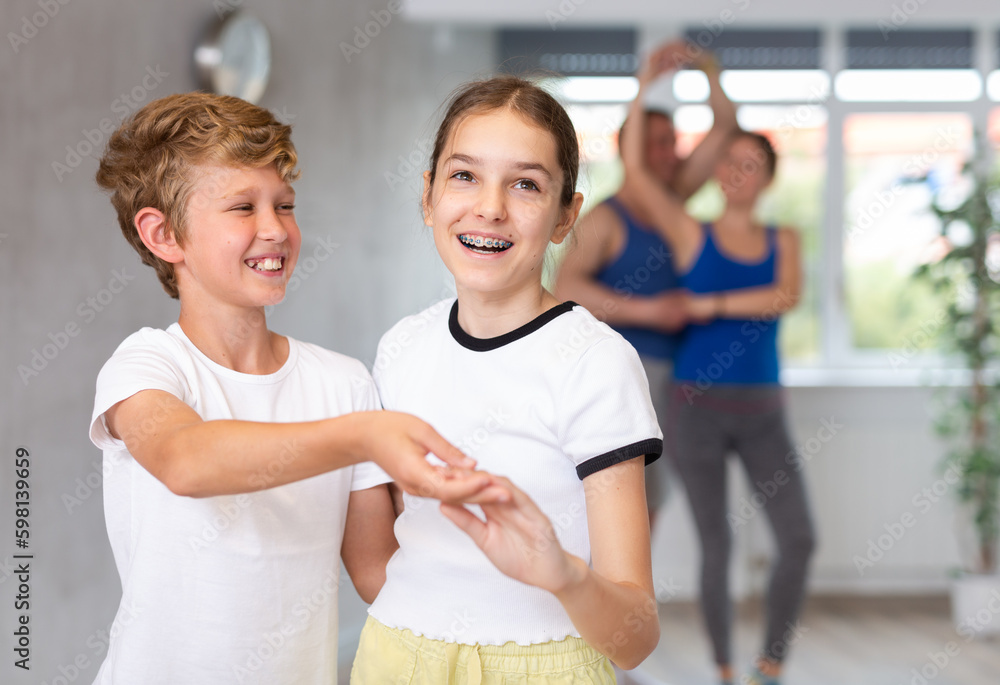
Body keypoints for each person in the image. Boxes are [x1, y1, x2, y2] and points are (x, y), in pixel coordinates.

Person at [89, 92, 507, 684]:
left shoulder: (343, 383)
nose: (275, 230)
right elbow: (186, 462)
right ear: (163, 236)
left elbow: (378, 575)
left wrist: (510, 589)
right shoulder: (147, 367)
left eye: (284, 206)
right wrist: (366, 435)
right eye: (242, 208)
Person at [347, 75, 664, 684]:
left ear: (566, 216)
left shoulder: (595, 362)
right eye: (464, 175)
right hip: (394, 660)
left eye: (525, 184)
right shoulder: (402, 347)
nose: (490, 206)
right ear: (428, 195)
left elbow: (636, 638)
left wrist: (561, 573)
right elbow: (387, 558)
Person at [621, 57, 816, 685]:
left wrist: (707, 305)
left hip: (763, 412)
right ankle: (727, 669)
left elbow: (784, 296)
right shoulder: (687, 229)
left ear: (767, 179)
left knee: (799, 539)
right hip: (695, 409)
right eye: (728, 162)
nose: (736, 172)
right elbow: (632, 166)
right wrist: (643, 84)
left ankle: (771, 663)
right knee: (718, 545)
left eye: (750, 164)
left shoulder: (783, 239)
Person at [554, 40, 739, 526]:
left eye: (673, 142)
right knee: (632, 493)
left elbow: (724, 129)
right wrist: (649, 310)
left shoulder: (674, 198)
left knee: (657, 499)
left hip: (685, 372)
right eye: (657, 143)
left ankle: (632, 595)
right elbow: (566, 289)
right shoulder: (604, 221)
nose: (671, 153)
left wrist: (707, 67)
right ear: (631, 148)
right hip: (632, 370)